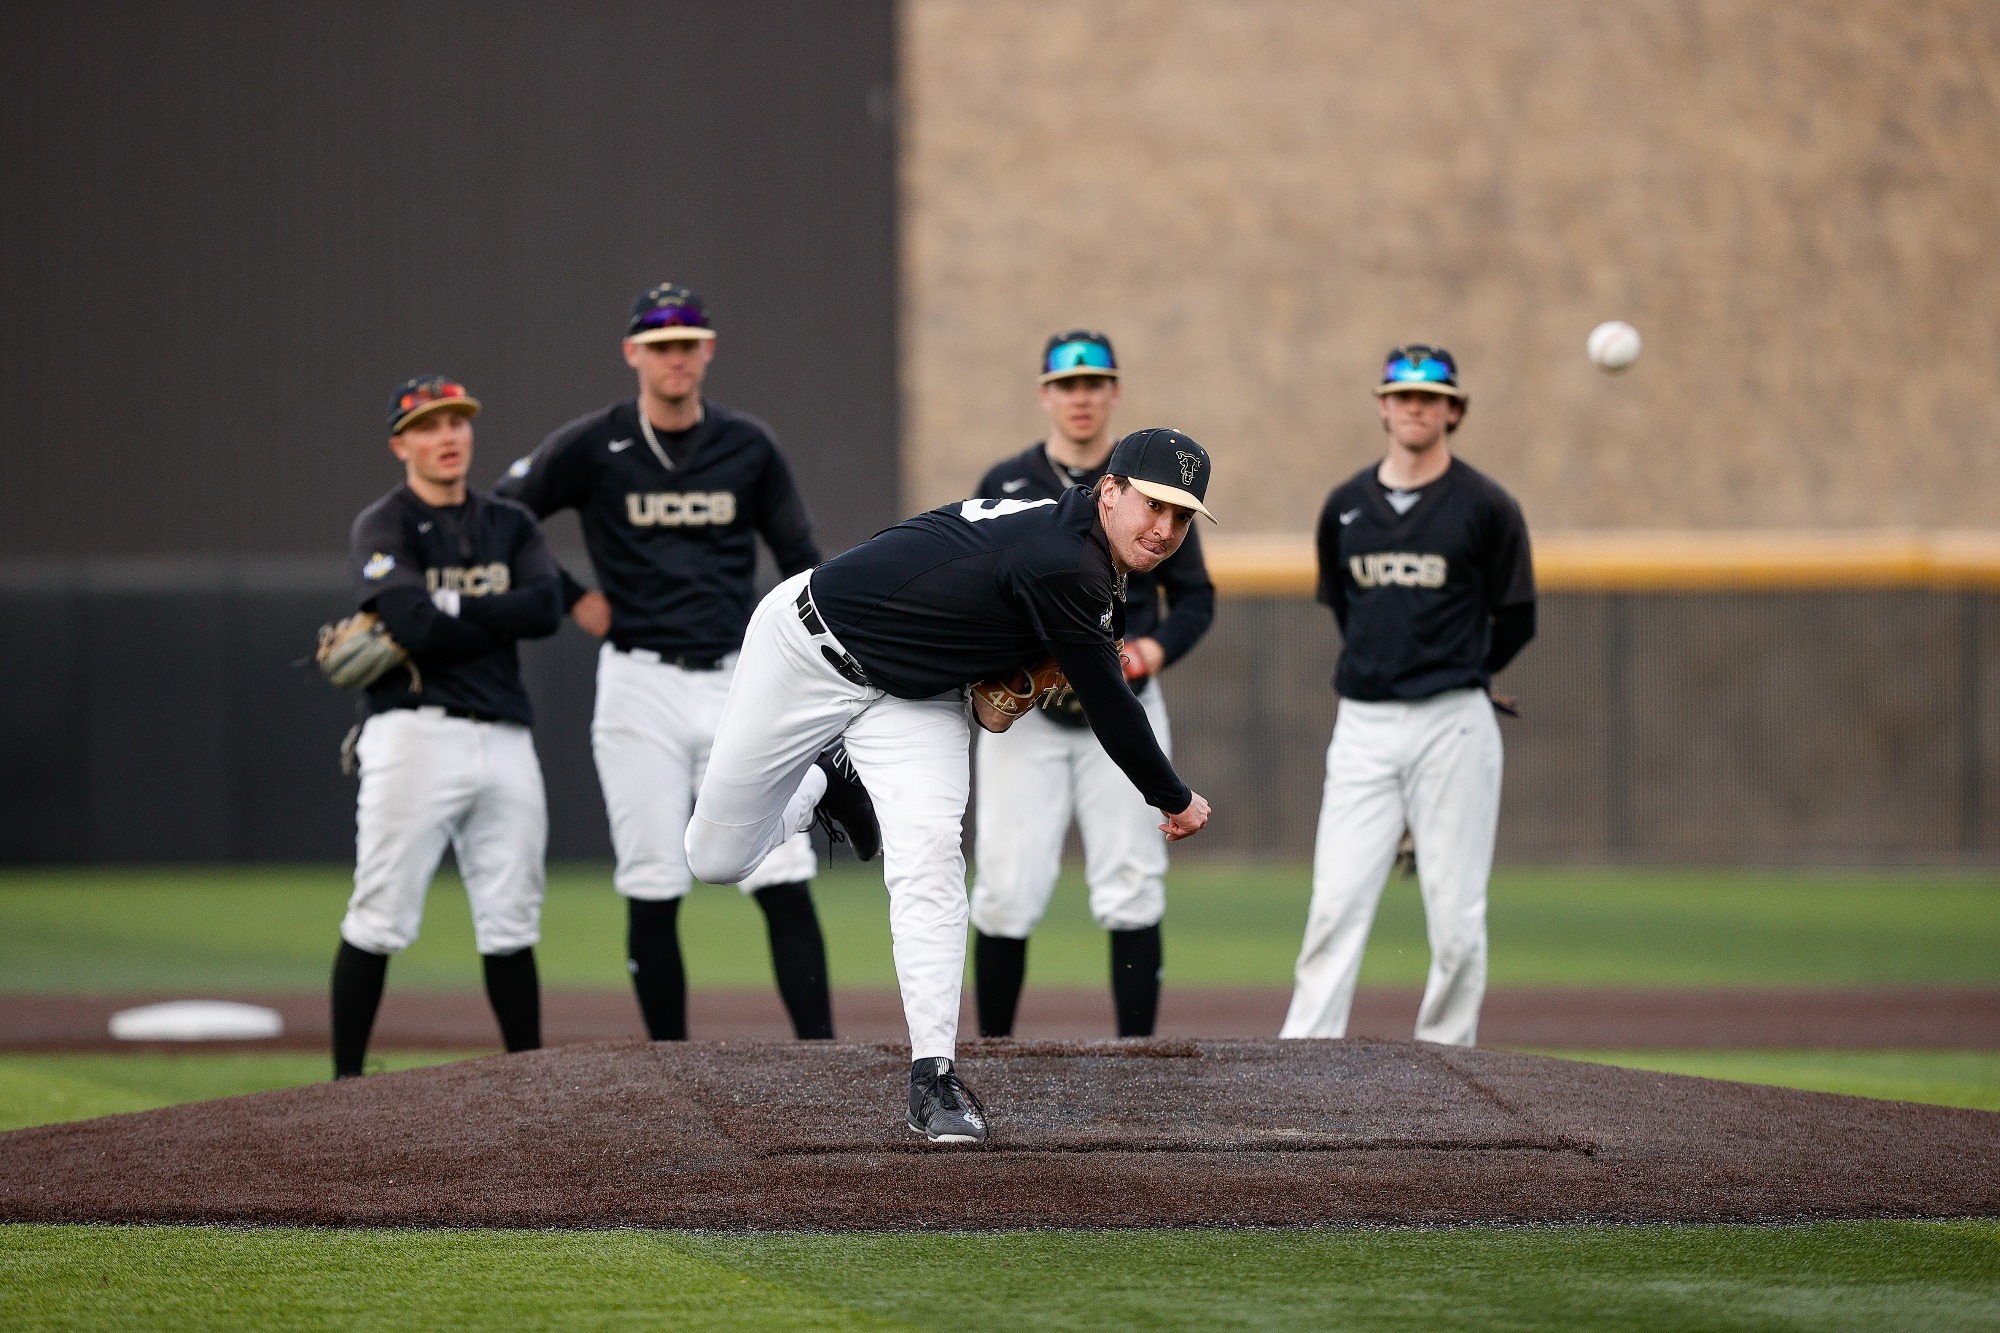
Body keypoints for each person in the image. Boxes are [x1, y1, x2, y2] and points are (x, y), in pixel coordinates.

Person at [685, 428, 1217, 1143]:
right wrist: (1175, 797)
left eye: (1182, 517)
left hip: (916, 694)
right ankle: (825, 781)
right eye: (1155, 504)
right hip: (806, 648)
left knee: (933, 857)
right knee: (713, 860)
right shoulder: (1067, 561)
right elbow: (1111, 705)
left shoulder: (1075, 540)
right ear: (1111, 490)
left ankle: (932, 1076)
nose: (1165, 528)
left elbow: (985, 682)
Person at [494, 283, 836, 1042]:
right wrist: (570, 596)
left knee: (782, 872)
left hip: (733, 681)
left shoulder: (747, 445)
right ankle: (669, 1072)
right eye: (659, 346)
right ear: (632, 354)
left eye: (687, 344)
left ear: (708, 349)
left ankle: (825, 1060)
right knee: (651, 879)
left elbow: (800, 560)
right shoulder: (595, 443)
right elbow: (501, 516)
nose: (675, 358)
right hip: (637, 681)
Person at [1281, 345, 1536, 1047]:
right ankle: (1303, 1055)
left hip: (1454, 722)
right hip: (1364, 721)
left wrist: (1460, 670)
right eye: (1403, 395)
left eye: (1432, 396)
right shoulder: (1344, 508)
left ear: (1453, 410)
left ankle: (1450, 1055)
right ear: (1383, 407)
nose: (1416, 406)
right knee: (1335, 901)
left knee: (1455, 913)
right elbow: (1347, 608)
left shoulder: (1486, 506)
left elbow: (1517, 615)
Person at [968, 332, 1215, 1039]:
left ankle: (1138, 1061)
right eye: (1068, 384)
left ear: (1114, 393)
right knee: (1007, 888)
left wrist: (1151, 649)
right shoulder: (1009, 481)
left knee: (1133, 883)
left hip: (1125, 700)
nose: (1081, 396)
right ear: (1046, 393)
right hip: (1031, 715)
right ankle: (992, 1054)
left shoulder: (1156, 489)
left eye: (1094, 382)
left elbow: (1196, 597)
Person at [331, 375, 565, 1078]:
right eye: (430, 425)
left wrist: (450, 610)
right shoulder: (385, 523)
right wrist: (483, 614)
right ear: (402, 442)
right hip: (412, 731)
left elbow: (546, 608)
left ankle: (526, 1080)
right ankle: (345, 1081)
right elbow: (407, 622)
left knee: (512, 919)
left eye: (457, 421)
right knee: (380, 913)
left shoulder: (511, 523)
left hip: (504, 735)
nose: (448, 436)